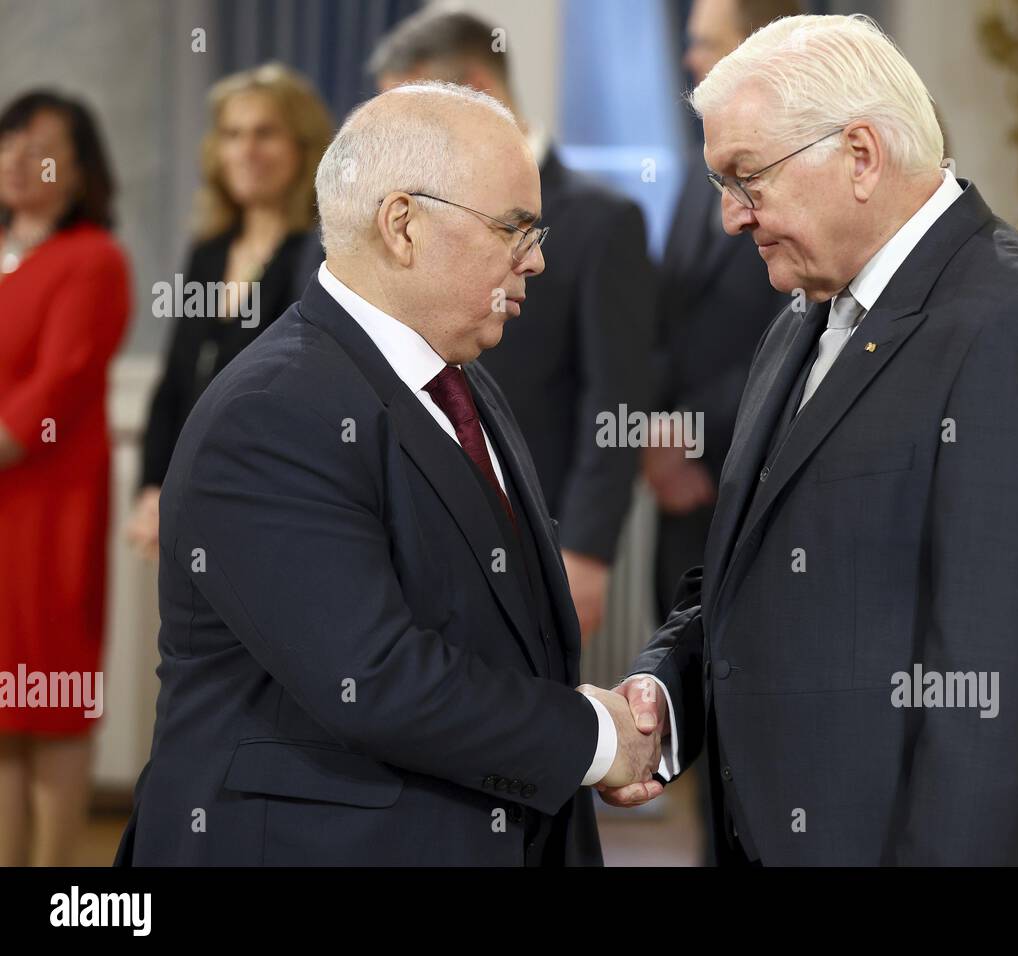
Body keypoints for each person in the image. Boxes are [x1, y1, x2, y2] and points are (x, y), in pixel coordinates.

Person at [598, 14, 1018, 866]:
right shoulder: (804, 312)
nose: (731, 217)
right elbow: (743, 573)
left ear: (860, 155)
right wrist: (664, 691)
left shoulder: (1017, 324)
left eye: (745, 178)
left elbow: (1001, 694)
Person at [115, 82, 659, 867]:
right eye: (515, 228)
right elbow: (376, 679)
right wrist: (599, 739)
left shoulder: (457, 379)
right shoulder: (273, 410)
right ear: (402, 225)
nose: (537, 258)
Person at [369, 9, 656, 641]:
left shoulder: (601, 222)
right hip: (407, 535)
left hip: (536, 536)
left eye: (409, 116)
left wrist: (585, 550)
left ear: (481, 88)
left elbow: (617, 398)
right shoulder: (396, 218)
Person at [125, 63, 331, 560]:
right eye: (233, 134)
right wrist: (152, 485)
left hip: (274, 504)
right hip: (191, 500)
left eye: (266, 133)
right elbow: (174, 380)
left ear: (303, 148)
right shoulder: (208, 253)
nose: (246, 151)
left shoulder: (320, 256)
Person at [0, 91, 130, 865]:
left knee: (48, 702)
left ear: (80, 173)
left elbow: (55, 388)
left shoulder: (93, 260)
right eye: (9, 141)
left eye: (42, 147)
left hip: (48, 513)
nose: (18, 160)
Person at [648, 0, 802, 619]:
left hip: (761, 470)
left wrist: (685, 434)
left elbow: (806, 332)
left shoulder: (800, 172)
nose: (689, 58)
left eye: (706, 43)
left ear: (757, 49)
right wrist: (650, 435)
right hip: (678, 482)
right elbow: (660, 317)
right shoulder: (696, 171)